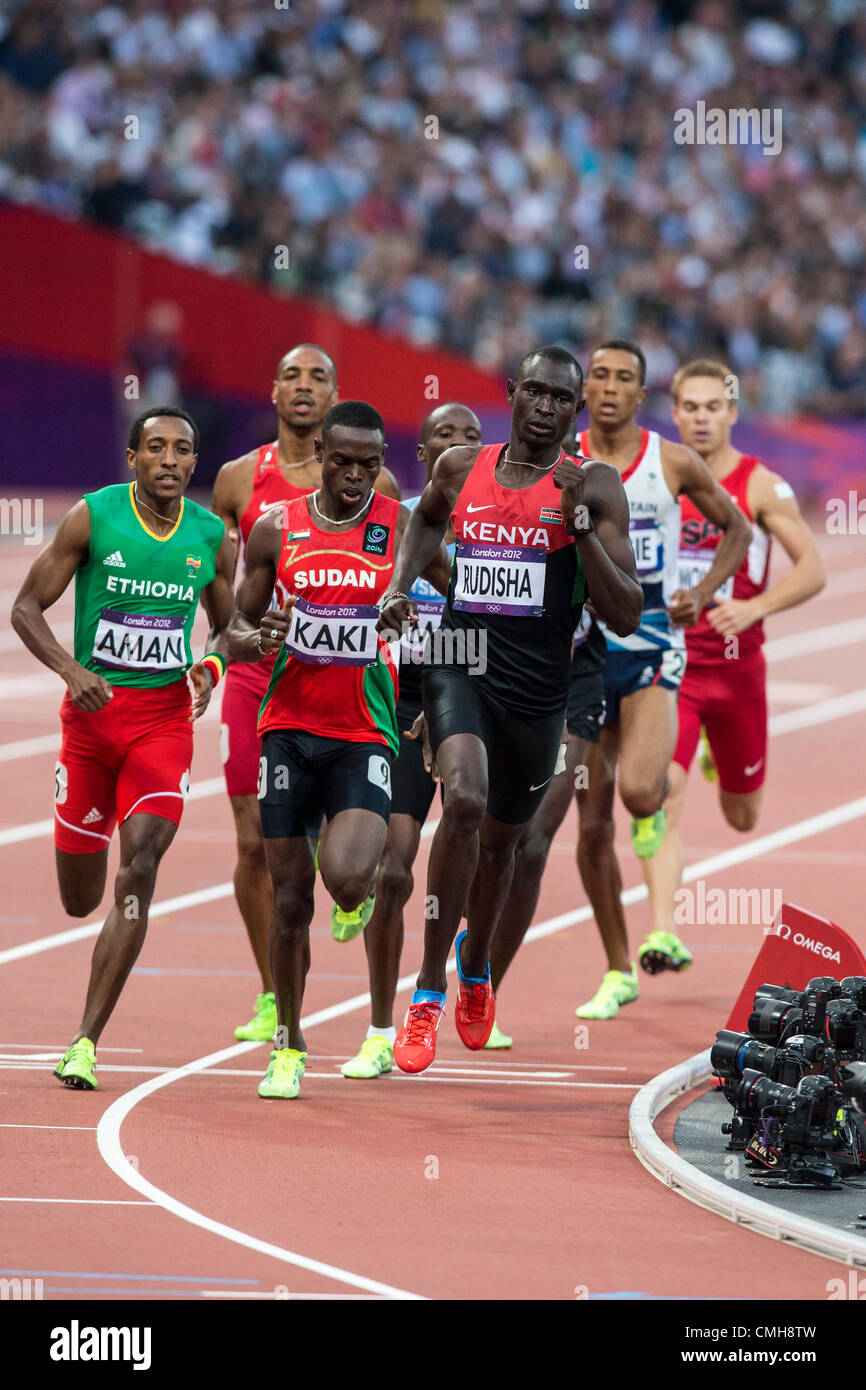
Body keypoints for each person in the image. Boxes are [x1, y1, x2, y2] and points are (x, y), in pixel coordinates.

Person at [377, 346, 643, 1074]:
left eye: (563, 398)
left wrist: (581, 525)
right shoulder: (462, 467)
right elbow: (424, 521)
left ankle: (479, 968)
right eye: (536, 392)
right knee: (461, 800)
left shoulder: (596, 485)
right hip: (461, 661)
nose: (547, 407)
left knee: (503, 844)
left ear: (575, 410)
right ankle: (428, 992)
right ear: (513, 393)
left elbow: (626, 613)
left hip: (539, 688)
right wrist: (402, 584)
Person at [227, 401, 448, 1100]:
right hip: (287, 729)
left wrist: (424, 643)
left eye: (369, 464)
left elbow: (461, 604)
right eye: (342, 461)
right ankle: (288, 1045)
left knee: (352, 880)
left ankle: (344, 874)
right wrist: (260, 634)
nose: (355, 476)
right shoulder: (274, 530)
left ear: (384, 463)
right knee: (290, 898)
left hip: (364, 730)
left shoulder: (402, 529)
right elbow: (235, 628)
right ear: (319, 452)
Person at [11, 408, 233, 1089]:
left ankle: (85, 1041)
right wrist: (72, 671)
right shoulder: (93, 517)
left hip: (162, 726)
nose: (170, 459)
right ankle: (85, 861)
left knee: (138, 867)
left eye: (183, 450)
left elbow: (231, 626)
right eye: (156, 448)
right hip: (89, 726)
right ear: (133, 456)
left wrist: (211, 667)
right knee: (80, 899)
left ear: (195, 463)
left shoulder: (210, 535)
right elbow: (24, 608)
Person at [210, 344, 400, 1044]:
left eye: (318, 375)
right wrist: (239, 642)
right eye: (290, 372)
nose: (303, 384)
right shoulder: (242, 486)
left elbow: (436, 596)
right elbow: (227, 599)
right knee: (259, 852)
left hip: (358, 702)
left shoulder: (390, 516)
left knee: (344, 872)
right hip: (270, 685)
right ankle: (277, 1005)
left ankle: (351, 857)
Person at [567, 341, 750, 1019]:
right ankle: (618, 968)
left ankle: (650, 815)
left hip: (649, 648)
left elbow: (735, 527)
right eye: (601, 375)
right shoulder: (564, 461)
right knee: (588, 826)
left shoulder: (671, 460)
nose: (610, 387)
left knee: (642, 793)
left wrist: (700, 590)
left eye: (624, 380)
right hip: (583, 655)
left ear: (641, 397)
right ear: (585, 387)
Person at [640, 358, 825, 950]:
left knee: (742, 818)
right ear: (674, 413)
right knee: (661, 792)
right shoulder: (659, 475)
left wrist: (753, 608)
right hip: (673, 671)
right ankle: (664, 932)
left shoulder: (760, 485)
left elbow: (814, 570)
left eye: (712, 407)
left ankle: (719, 759)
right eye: (689, 407)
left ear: (732, 413)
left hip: (739, 673)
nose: (700, 418)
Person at [340, 401, 481, 1080]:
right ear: (425, 458)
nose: (460, 446)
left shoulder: (491, 535)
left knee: (474, 831)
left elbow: (483, 632)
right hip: (392, 701)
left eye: (472, 439)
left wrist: (448, 703)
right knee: (392, 870)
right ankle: (377, 1026)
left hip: (452, 697)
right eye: (445, 439)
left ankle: (449, 976)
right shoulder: (394, 525)